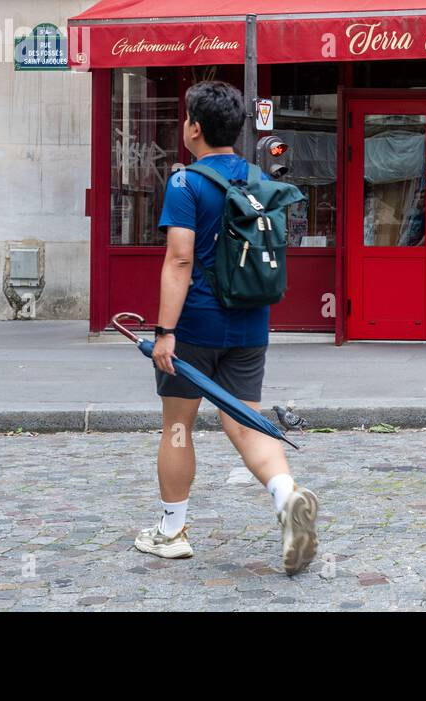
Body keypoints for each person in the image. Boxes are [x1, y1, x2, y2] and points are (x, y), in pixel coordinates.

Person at [133, 80, 319, 575]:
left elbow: (179, 259)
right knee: (245, 420)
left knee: (178, 424)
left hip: (193, 325)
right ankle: (286, 496)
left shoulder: (185, 182)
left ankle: (171, 531)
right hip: (251, 321)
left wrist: (164, 332)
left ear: (194, 127)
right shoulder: (257, 177)